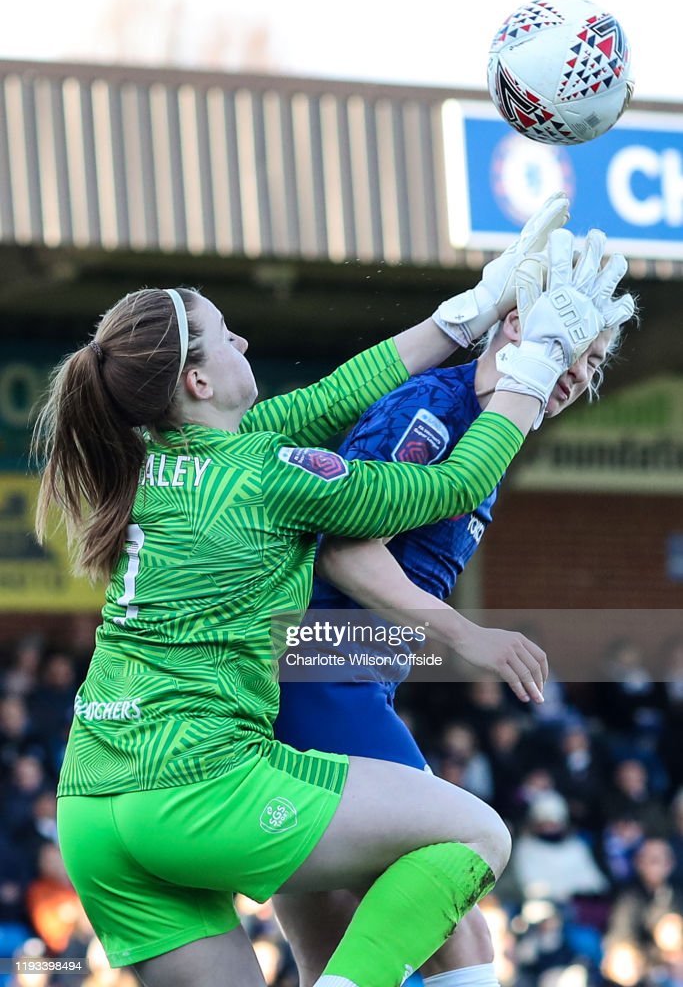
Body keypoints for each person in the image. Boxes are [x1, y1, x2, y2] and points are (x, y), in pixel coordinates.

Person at [33, 196, 628, 987]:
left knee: (362, 936)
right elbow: (451, 483)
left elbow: (328, 398)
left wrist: (465, 313)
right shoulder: (269, 474)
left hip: (93, 805)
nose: (245, 337)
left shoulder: (153, 457)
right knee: (477, 838)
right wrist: (531, 361)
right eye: (225, 331)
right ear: (200, 379)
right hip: (200, 784)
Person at [273, 237, 636, 986]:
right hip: (321, 672)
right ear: (511, 328)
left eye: (590, 362)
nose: (574, 373)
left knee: (329, 943)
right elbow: (344, 549)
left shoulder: (488, 429)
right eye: (565, 346)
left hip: (336, 677)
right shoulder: (432, 415)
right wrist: (466, 636)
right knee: (457, 905)